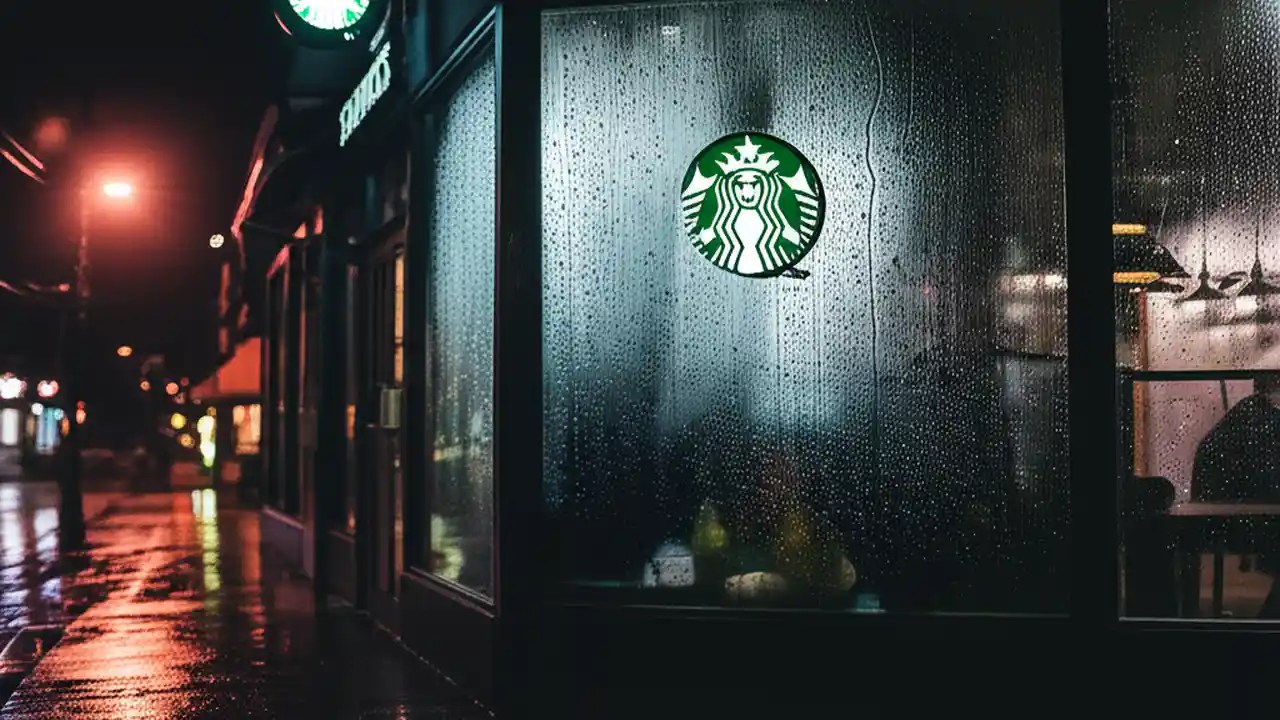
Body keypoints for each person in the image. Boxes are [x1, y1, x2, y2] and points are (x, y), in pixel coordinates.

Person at [1192, 374, 1280, 617]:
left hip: (1223, 519)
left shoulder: (1244, 417)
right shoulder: (1263, 421)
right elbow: (1269, 482)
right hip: (1245, 521)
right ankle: (1269, 623)